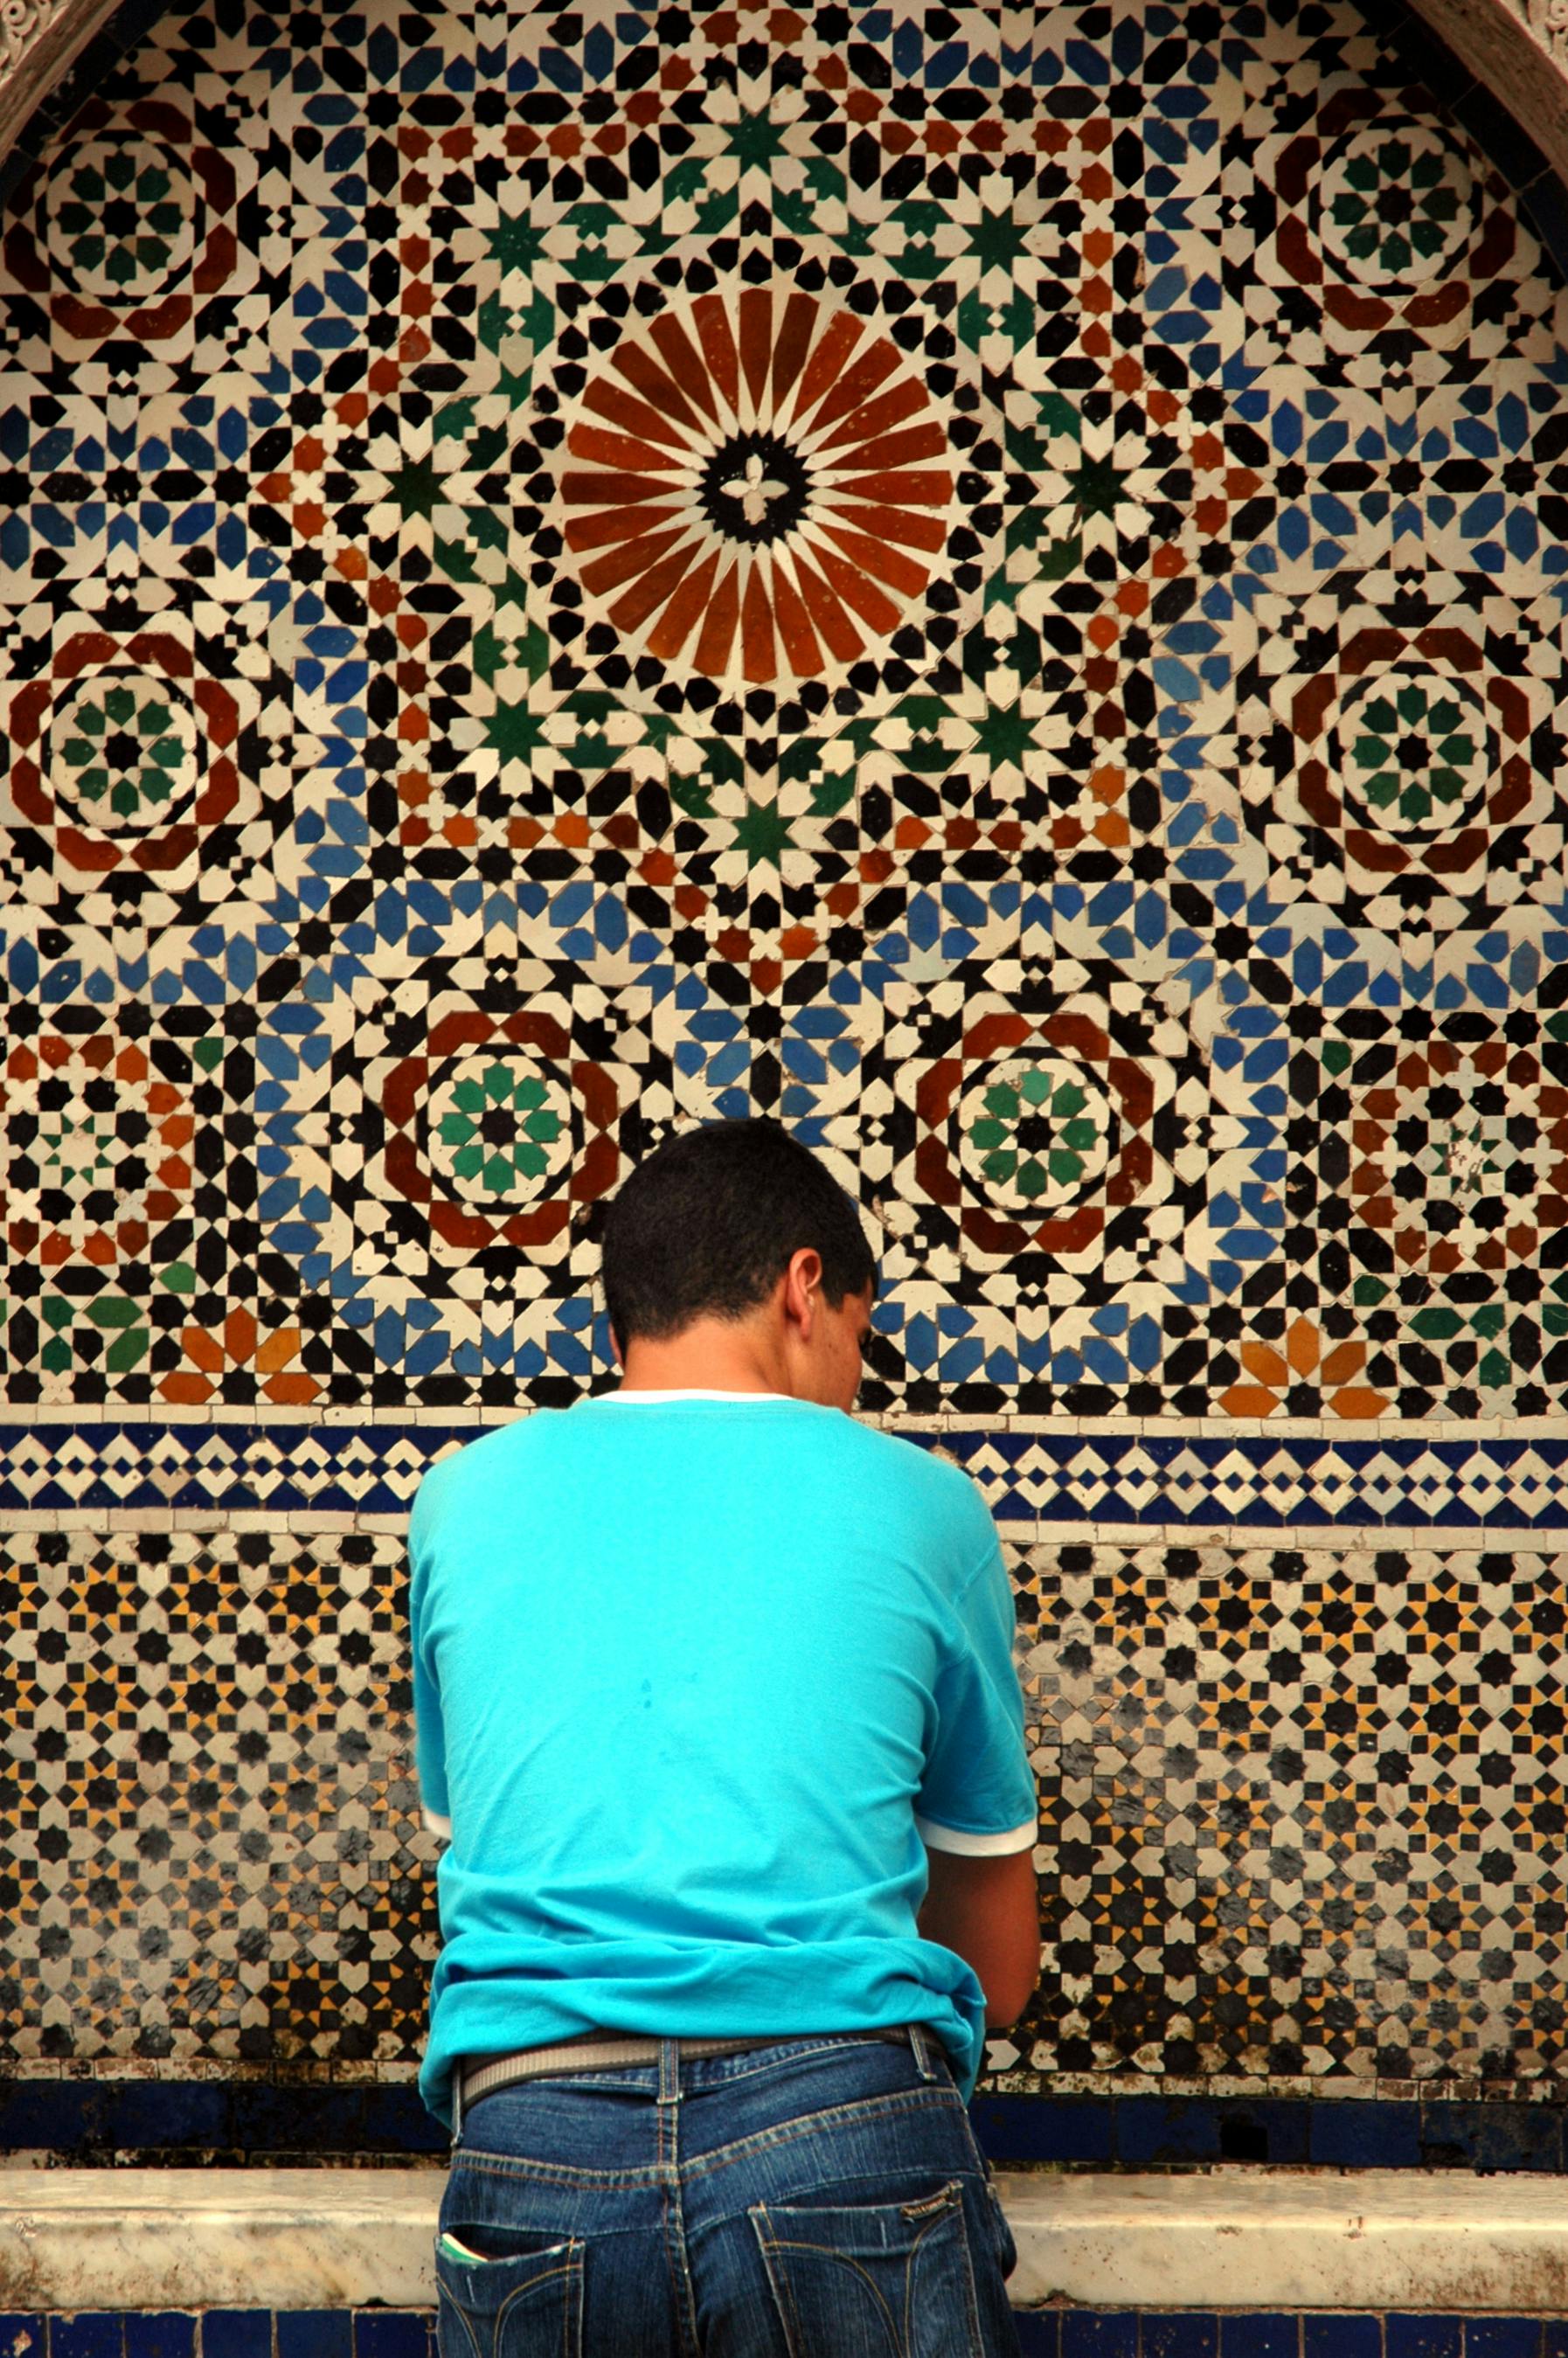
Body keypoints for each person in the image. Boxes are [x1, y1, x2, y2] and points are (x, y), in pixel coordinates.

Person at [408, 1117, 1040, 2356]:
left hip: (533, 2143)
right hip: (845, 2134)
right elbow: (1000, 1968)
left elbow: (482, 1850)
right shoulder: (922, 1502)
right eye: (860, 1335)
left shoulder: (461, 1499)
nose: (855, 1380)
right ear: (807, 1286)